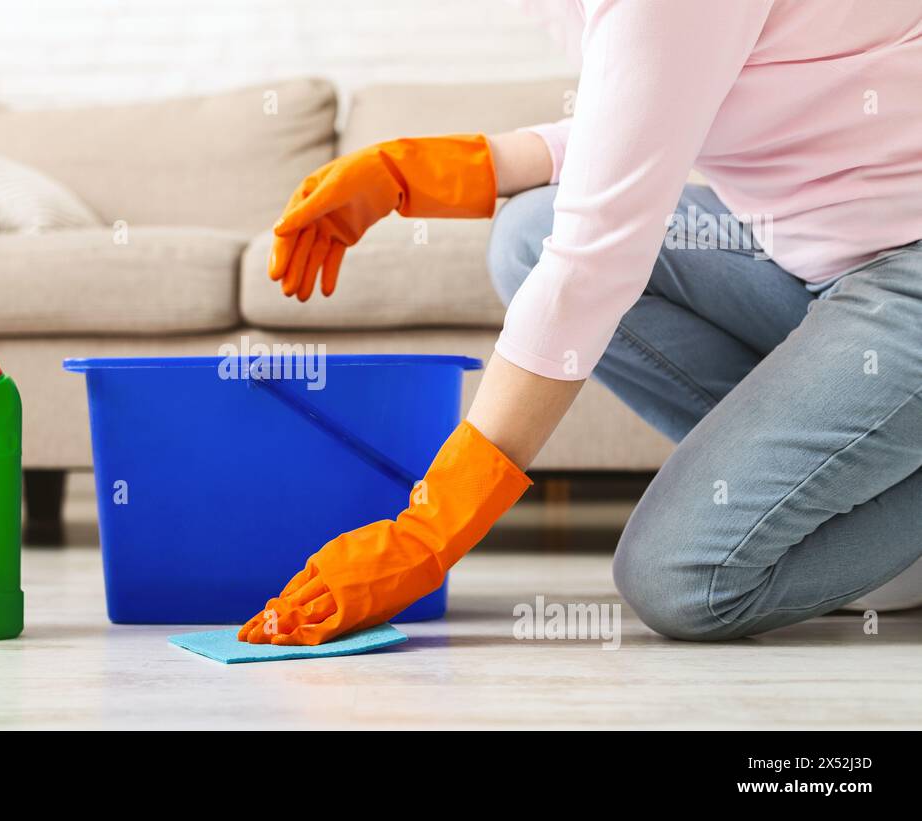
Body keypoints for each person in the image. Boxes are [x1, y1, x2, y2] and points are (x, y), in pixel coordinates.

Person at [239, 0, 922, 645]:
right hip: (817, 269)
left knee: (679, 577)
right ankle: (862, 471)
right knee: (527, 234)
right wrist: (411, 174)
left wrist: (428, 531)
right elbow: (639, 117)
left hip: (907, 270)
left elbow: (593, 264)